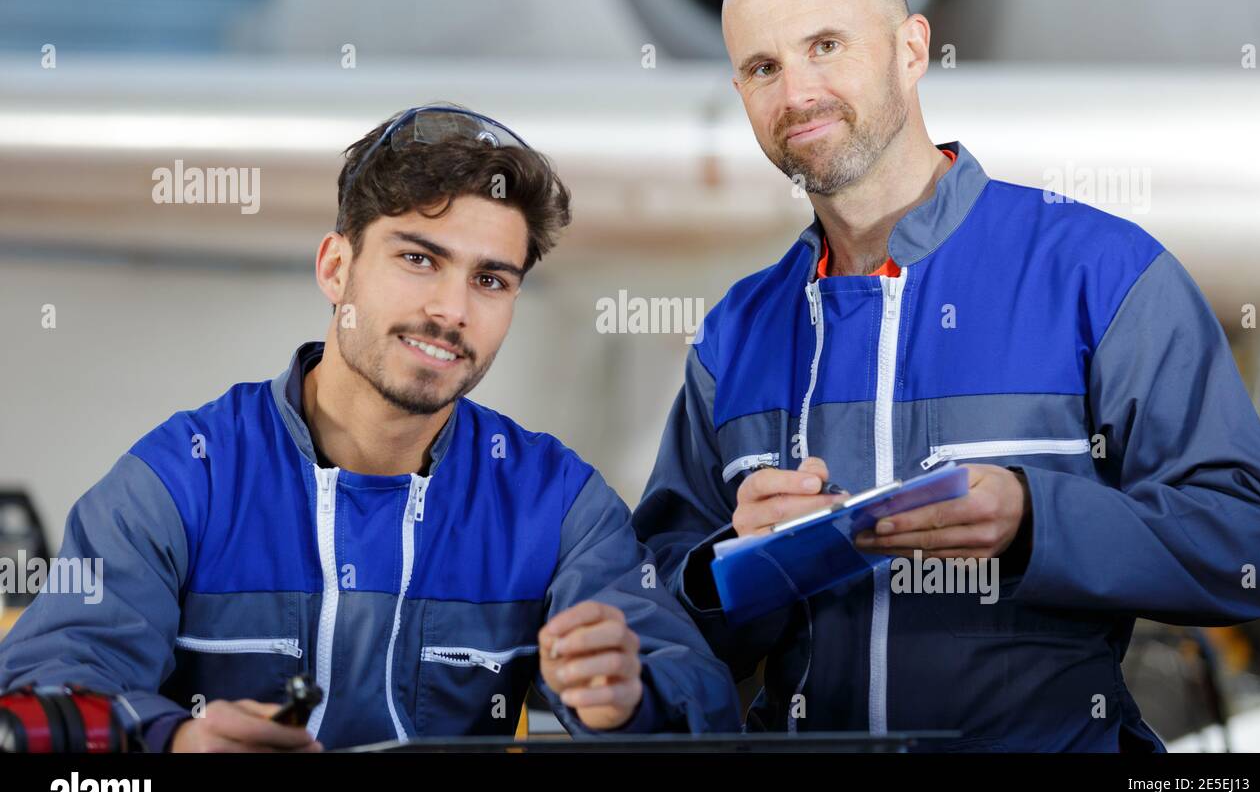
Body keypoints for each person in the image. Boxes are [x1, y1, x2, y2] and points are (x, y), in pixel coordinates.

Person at [631, 0, 1260, 750]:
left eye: (825, 46)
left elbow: (1251, 548)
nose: (797, 92)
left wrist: (1033, 520)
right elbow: (651, 611)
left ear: (912, 49)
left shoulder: (1101, 274)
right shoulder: (735, 335)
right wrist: (726, 566)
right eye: (764, 68)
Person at [0, 104, 739, 751]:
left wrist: (628, 703)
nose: (452, 310)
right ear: (335, 266)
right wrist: (176, 741)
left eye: (490, 279)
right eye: (419, 258)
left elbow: (703, 703)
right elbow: (49, 689)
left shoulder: (558, 505)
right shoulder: (181, 478)